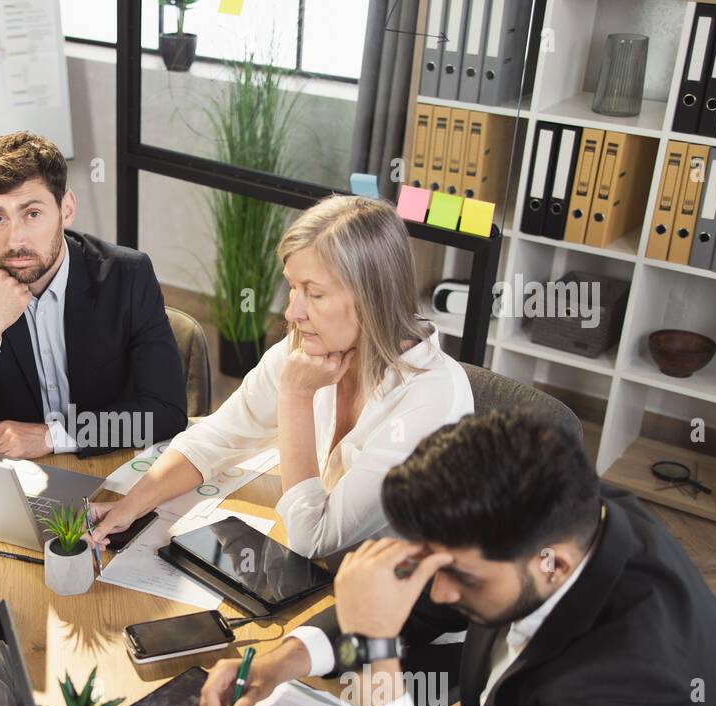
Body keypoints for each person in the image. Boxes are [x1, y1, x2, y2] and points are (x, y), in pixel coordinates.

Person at [202, 411, 716, 706]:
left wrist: (375, 655)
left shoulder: (646, 684)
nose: (436, 593)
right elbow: (412, 602)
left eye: (459, 576)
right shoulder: (559, 511)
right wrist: (286, 660)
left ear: (552, 564)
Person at [91, 194, 473, 560]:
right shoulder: (312, 349)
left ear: (373, 297)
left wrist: (295, 397)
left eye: (315, 294)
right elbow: (216, 438)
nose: (293, 312)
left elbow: (314, 537)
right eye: (293, 287)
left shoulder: (431, 402)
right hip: (322, 570)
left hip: (397, 605)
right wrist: (131, 505)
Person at [0, 131, 187, 459]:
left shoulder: (127, 276)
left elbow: (166, 413)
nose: (15, 239)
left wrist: (53, 436)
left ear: (66, 209)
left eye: (32, 214)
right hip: (13, 476)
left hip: (107, 463)